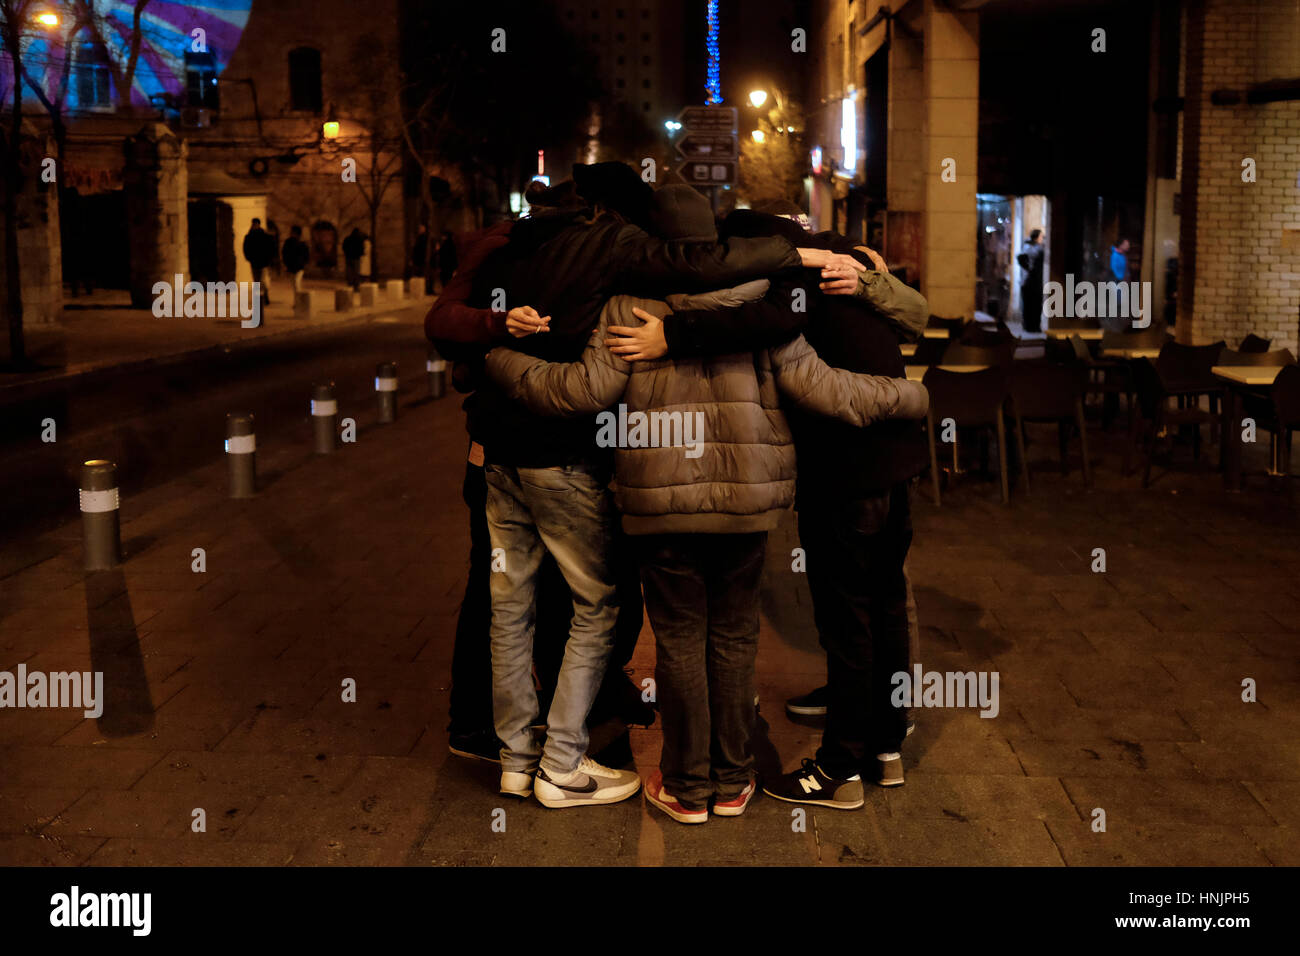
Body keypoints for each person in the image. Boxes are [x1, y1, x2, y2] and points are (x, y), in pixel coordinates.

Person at [485, 184, 930, 823]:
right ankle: (734, 779)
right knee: (736, 634)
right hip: (748, 506)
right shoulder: (764, 305)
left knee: (679, 639)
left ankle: (687, 786)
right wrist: (913, 399)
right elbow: (827, 390)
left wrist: (496, 357)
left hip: (658, 507)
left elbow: (576, 391)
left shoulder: (627, 308)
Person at [242, 218, 276, 306]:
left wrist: (269, 259)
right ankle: (262, 297)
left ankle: (262, 297)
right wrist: (248, 258)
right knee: (258, 281)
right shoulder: (251, 236)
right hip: (257, 261)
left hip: (262, 262)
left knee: (260, 280)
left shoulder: (259, 236)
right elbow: (246, 248)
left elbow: (271, 248)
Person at [1018, 228, 1046, 333]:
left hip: (1028, 281)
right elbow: (1021, 258)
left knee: (1029, 305)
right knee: (1034, 305)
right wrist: (1030, 269)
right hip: (1032, 282)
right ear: (1037, 237)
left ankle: (1029, 326)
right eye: (1041, 237)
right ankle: (1033, 326)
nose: (1042, 239)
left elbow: (1020, 258)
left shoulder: (1027, 246)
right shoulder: (1035, 248)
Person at [282, 226, 310, 295]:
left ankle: (298, 300)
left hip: (299, 267)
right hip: (292, 266)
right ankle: (260, 298)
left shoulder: (302, 243)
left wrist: (304, 263)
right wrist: (286, 264)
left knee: (296, 283)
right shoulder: (288, 242)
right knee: (295, 284)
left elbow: (306, 255)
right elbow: (284, 253)